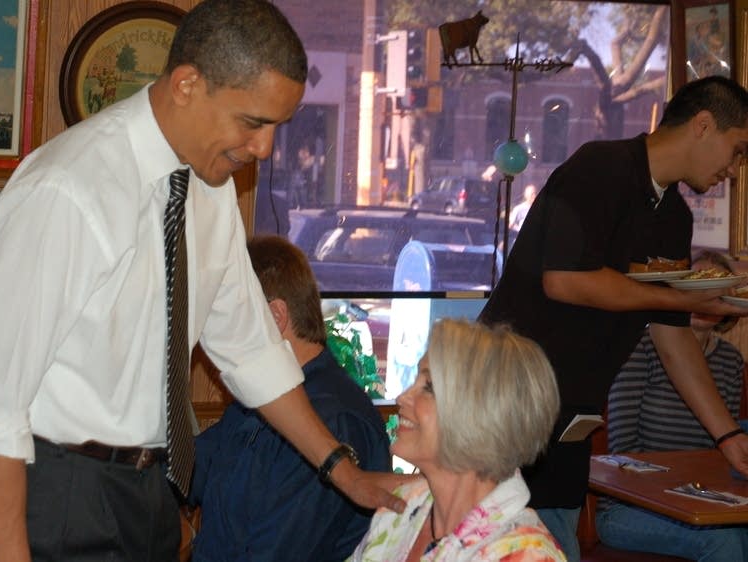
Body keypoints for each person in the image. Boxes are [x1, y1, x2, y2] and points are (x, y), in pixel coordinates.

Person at [0, 1, 407, 561]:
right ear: (187, 84)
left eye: (275, 129)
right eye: (253, 123)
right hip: (54, 491)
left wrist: (343, 472)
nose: (264, 149)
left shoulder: (206, 190)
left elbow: (252, 351)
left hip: (148, 489)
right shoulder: (68, 189)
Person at [478, 75, 748, 562]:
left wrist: (728, 436)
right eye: (738, 150)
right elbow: (565, 279)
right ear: (704, 125)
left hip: (567, 424)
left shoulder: (674, 219)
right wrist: (685, 300)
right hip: (501, 404)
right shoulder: (599, 166)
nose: (735, 168)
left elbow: (673, 338)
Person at [189, 235, 392, 561]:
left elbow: (278, 552)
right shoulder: (256, 399)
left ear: (274, 316)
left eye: (227, 320)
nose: (216, 337)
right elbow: (193, 469)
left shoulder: (333, 420)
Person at [349, 318, 565, 561]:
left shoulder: (525, 555)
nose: (402, 397)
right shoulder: (403, 504)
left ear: (479, 415)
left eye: (428, 387)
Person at [596, 251, 748, 561]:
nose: (701, 298)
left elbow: (723, 453)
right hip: (628, 508)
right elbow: (623, 453)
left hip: (702, 500)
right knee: (725, 542)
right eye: (694, 288)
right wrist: (682, 492)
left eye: (713, 290)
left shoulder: (731, 361)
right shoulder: (642, 347)